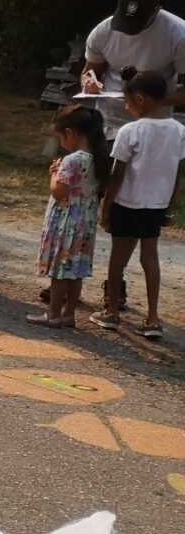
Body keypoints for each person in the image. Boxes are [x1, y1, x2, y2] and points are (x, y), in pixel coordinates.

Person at [93, 71, 185, 338]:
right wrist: (169, 206)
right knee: (150, 257)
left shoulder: (130, 131)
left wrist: (106, 207)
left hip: (127, 202)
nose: (126, 106)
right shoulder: (179, 131)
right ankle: (153, 318)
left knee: (118, 258)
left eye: (127, 100)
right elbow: (177, 173)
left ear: (141, 99)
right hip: (156, 204)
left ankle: (111, 313)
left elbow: (117, 175)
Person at [30, 103, 106, 329]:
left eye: (61, 136)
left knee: (59, 270)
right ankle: (68, 314)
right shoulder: (99, 158)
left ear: (70, 134)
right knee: (75, 271)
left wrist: (54, 174)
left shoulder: (72, 160)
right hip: (85, 221)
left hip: (66, 221)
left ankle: (52, 314)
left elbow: (59, 191)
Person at [80, 0, 185, 137]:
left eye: (137, 22)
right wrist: (89, 83)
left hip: (153, 125)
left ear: (156, 11)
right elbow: (90, 72)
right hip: (108, 122)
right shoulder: (102, 32)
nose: (129, 29)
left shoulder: (178, 35)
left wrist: (152, 101)